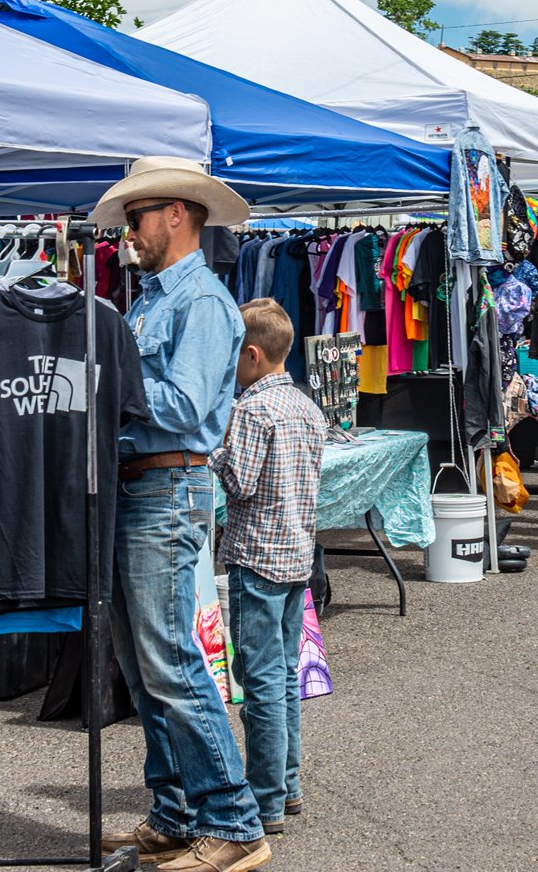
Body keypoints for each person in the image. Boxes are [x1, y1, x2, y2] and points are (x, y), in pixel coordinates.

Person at [93, 158, 270, 872]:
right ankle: (176, 812)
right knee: (144, 668)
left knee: (169, 662)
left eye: (138, 214)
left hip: (165, 489)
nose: (129, 229)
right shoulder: (152, 299)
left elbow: (188, 409)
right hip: (144, 488)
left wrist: (110, 391)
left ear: (177, 213)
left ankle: (233, 821)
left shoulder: (197, 303)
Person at [213, 300, 326, 840]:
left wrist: (214, 452)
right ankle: (287, 782)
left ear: (252, 355)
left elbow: (240, 481)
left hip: (256, 556)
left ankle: (265, 798)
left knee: (259, 679)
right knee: (281, 676)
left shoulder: (252, 410)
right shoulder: (306, 407)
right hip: (296, 554)